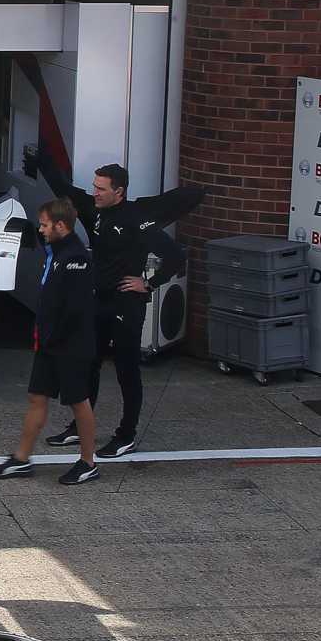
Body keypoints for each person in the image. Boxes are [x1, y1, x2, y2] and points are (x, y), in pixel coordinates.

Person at [27, 148, 205, 457]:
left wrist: (147, 283)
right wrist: (41, 157)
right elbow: (63, 188)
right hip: (97, 301)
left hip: (126, 305)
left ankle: (127, 434)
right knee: (88, 363)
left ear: (118, 192)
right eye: (94, 187)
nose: (94, 192)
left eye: (101, 188)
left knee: (126, 369)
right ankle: (81, 426)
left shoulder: (137, 220)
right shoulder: (92, 209)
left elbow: (175, 255)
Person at [0, 199, 100, 485]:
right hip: (49, 342)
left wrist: (54, 337)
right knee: (37, 396)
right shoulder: (55, 250)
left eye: (46, 224)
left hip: (71, 343)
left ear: (61, 226)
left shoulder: (76, 257)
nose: (41, 229)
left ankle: (88, 462)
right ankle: (22, 458)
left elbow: (74, 308)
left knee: (78, 401)